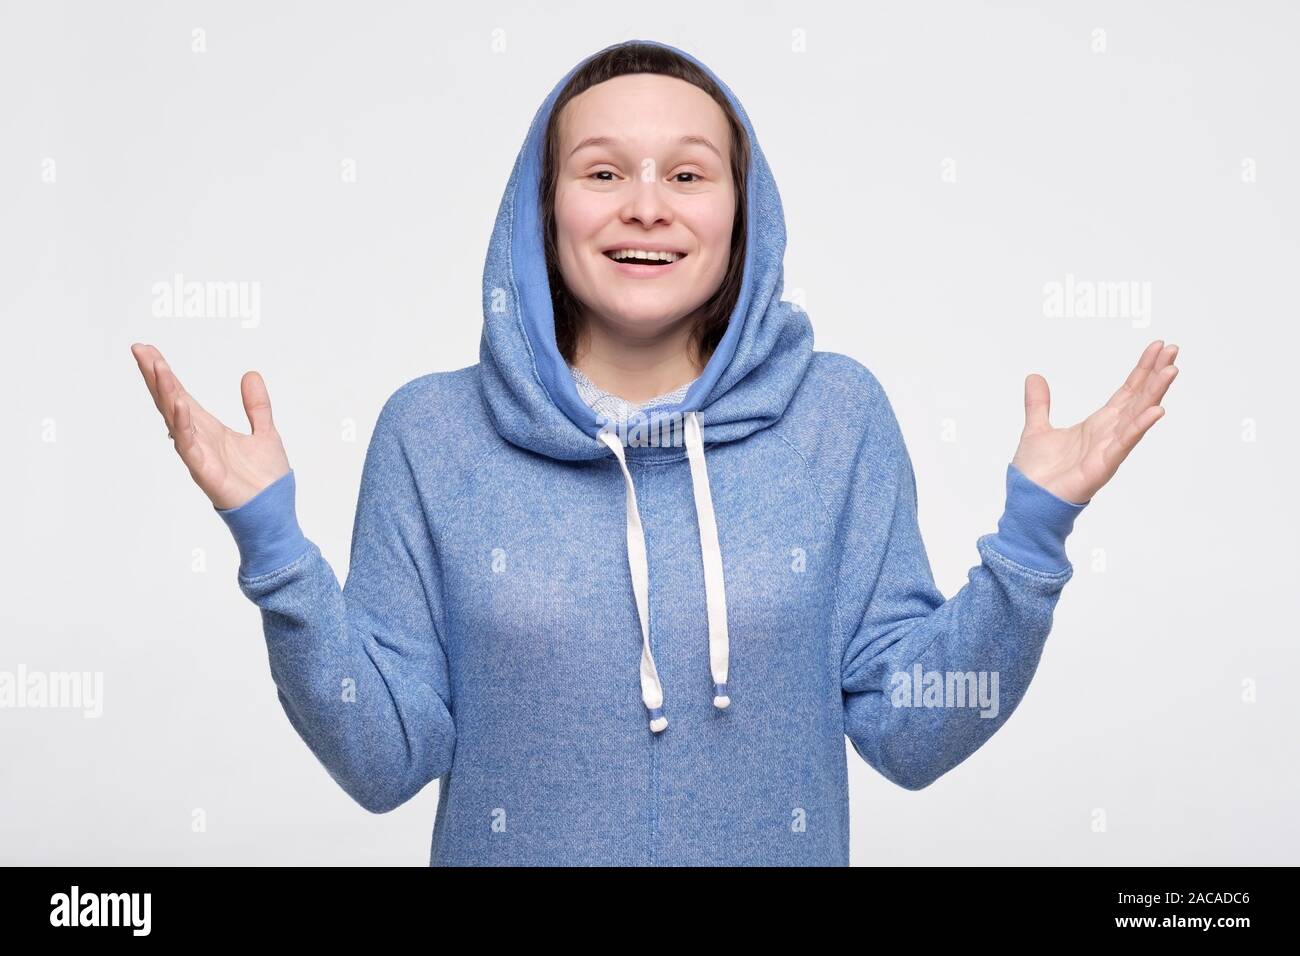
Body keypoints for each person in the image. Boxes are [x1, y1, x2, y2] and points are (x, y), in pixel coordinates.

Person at [129, 39, 1180, 866]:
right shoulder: (431, 434)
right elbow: (383, 755)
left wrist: (1031, 540)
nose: (645, 204)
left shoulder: (838, 417)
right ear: (542, 211)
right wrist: (274, 549)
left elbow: (912, 729)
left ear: (741, 211)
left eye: (687, 172)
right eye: (601, 171)